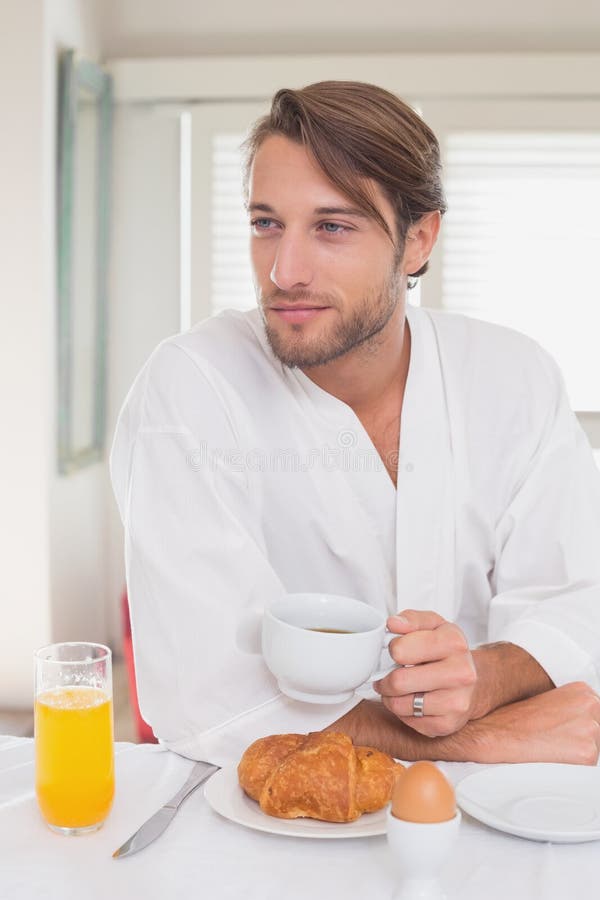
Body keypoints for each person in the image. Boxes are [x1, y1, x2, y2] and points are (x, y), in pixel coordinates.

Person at [110, 81, 600, 768]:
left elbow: (572, 595)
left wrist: (484, 676)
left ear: (418, 239)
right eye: (266, 224)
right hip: (267, 818)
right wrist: (484, 741)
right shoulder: (191, 389)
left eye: (332, 227)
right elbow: (208, 698)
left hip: (496, 816)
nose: (284, 271)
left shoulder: (513, 378)